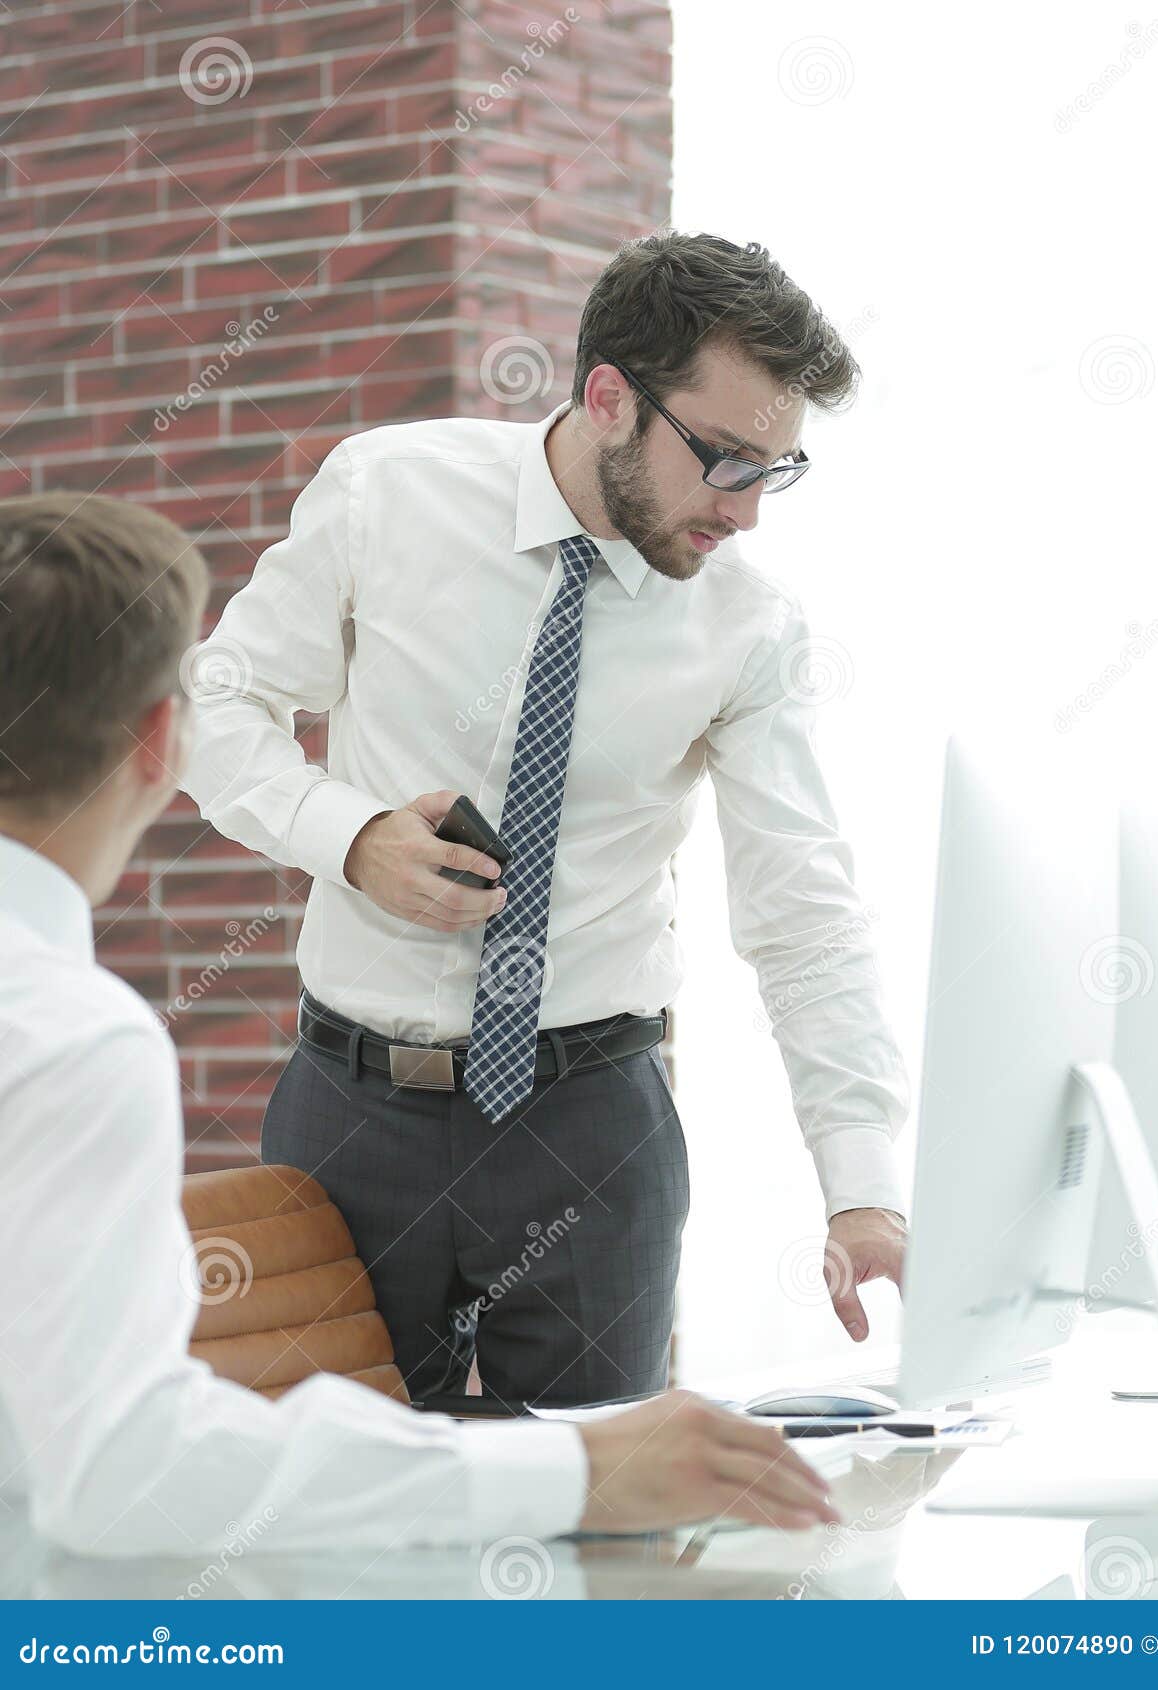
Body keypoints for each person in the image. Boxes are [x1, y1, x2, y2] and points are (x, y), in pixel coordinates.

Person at [0, 493, 838, 1557]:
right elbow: (125, 1470)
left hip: (591, 1108)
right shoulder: (67, 1043)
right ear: (165, 740)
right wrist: (575, 1469)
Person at [182, 229, 912, 1411]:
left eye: (776, 470)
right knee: (320, 1536)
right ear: (610, 397)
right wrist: (351, 838)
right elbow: (221, 704)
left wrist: (861, 1183)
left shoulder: (748, 627)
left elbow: (804, 912)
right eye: (727, 460)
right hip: (353, 1114)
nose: (748, 513)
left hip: (592, 1133)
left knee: (593, 1543)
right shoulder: (387, 492)